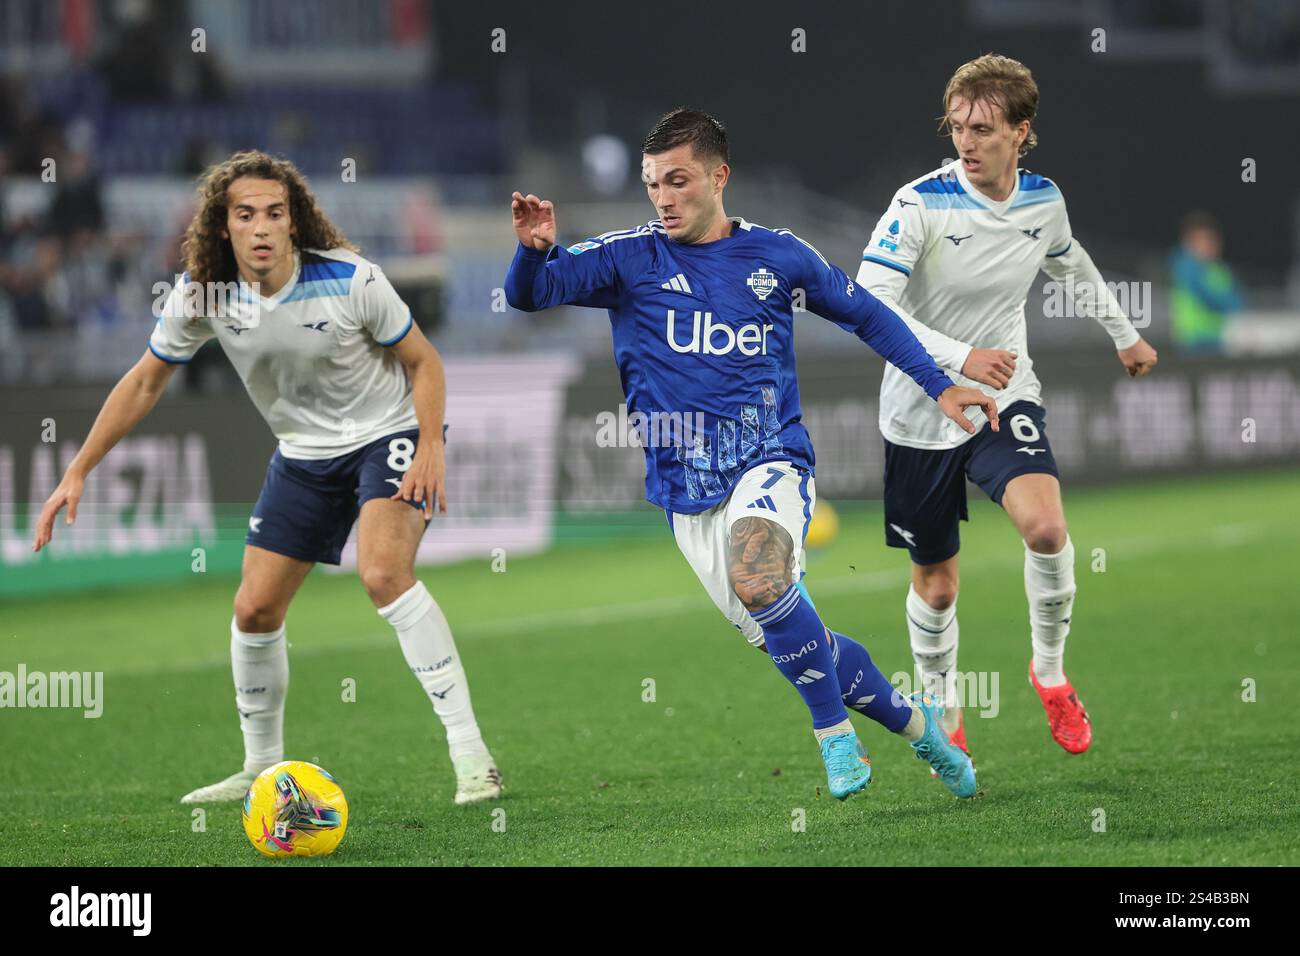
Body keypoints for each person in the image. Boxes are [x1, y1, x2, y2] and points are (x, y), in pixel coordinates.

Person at [506, 108, 996, 800]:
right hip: (685, 494)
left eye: (679, 181)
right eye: (653, 185)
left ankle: (834, 738)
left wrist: (939, 385)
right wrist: (532, 251)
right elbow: (532, 295)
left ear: (719, 176)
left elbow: (867, 313)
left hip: (770, 460)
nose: (665, 198)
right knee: (804, 644)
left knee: (760, 576)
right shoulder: (628, 259)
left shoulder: (778, 256)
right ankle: (922, 731)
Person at [32, 150, 501, 806]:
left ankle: (471, 754)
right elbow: (144, 381)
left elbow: (424, 363)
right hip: (303, 455)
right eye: (244, 214)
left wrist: (429, 446)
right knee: (253, 609)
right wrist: (76, 472)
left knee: (383, 574)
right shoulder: (204, 295)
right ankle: (259, 767)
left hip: (387, 434)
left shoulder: (350, 278)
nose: (259, 227)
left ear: (293, 223)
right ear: (223, 226)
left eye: (274, 214)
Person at [856, 54, 1159, 761]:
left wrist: (1125, 335)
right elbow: (868, 303)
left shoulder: (1042, 200)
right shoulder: (920, 203)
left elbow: (1069, 259)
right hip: (919, 408)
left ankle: (1049, 675)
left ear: (1020, 132)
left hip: (1003, 396)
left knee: (1047, 528)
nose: (966, 140)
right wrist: (959, 359)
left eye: (983, 128)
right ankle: (940, 700)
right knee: (936, 589)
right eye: (957, 125)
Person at [1169, 211, 1242, 354]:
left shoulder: (1220, 270)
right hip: (1192, 343)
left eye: (1211, 240)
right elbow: (1207, 297)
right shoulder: (1184, 267)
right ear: (1188, 243)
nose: (1207, 245)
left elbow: (1237, 301)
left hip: (1221, 340)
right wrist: (1226, 304)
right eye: (1201, 241)